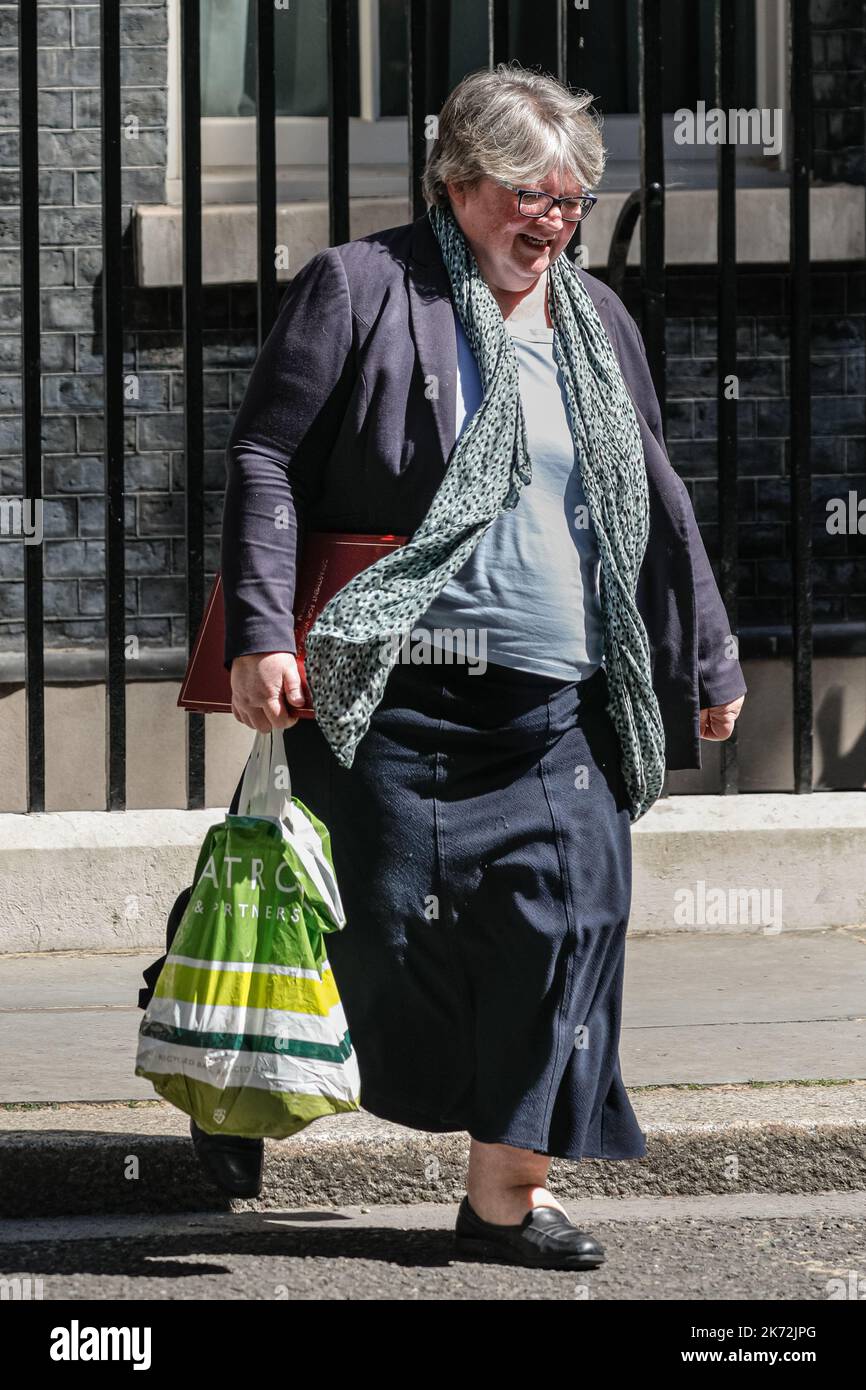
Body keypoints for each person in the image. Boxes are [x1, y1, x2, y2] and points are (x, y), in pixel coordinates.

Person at [207, 63, 746, 1271]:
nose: (551, 222)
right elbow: (264, 460)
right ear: (458, 182)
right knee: (376, 941)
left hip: (555, 704)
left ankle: (504, 1202)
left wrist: (704, 649)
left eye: (571, 202)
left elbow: (652, 497)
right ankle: (220, 1064)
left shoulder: (595, 322)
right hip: (389, 697)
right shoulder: (361, 288)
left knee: (570, 928)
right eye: (529, 194)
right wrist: (260, 629)